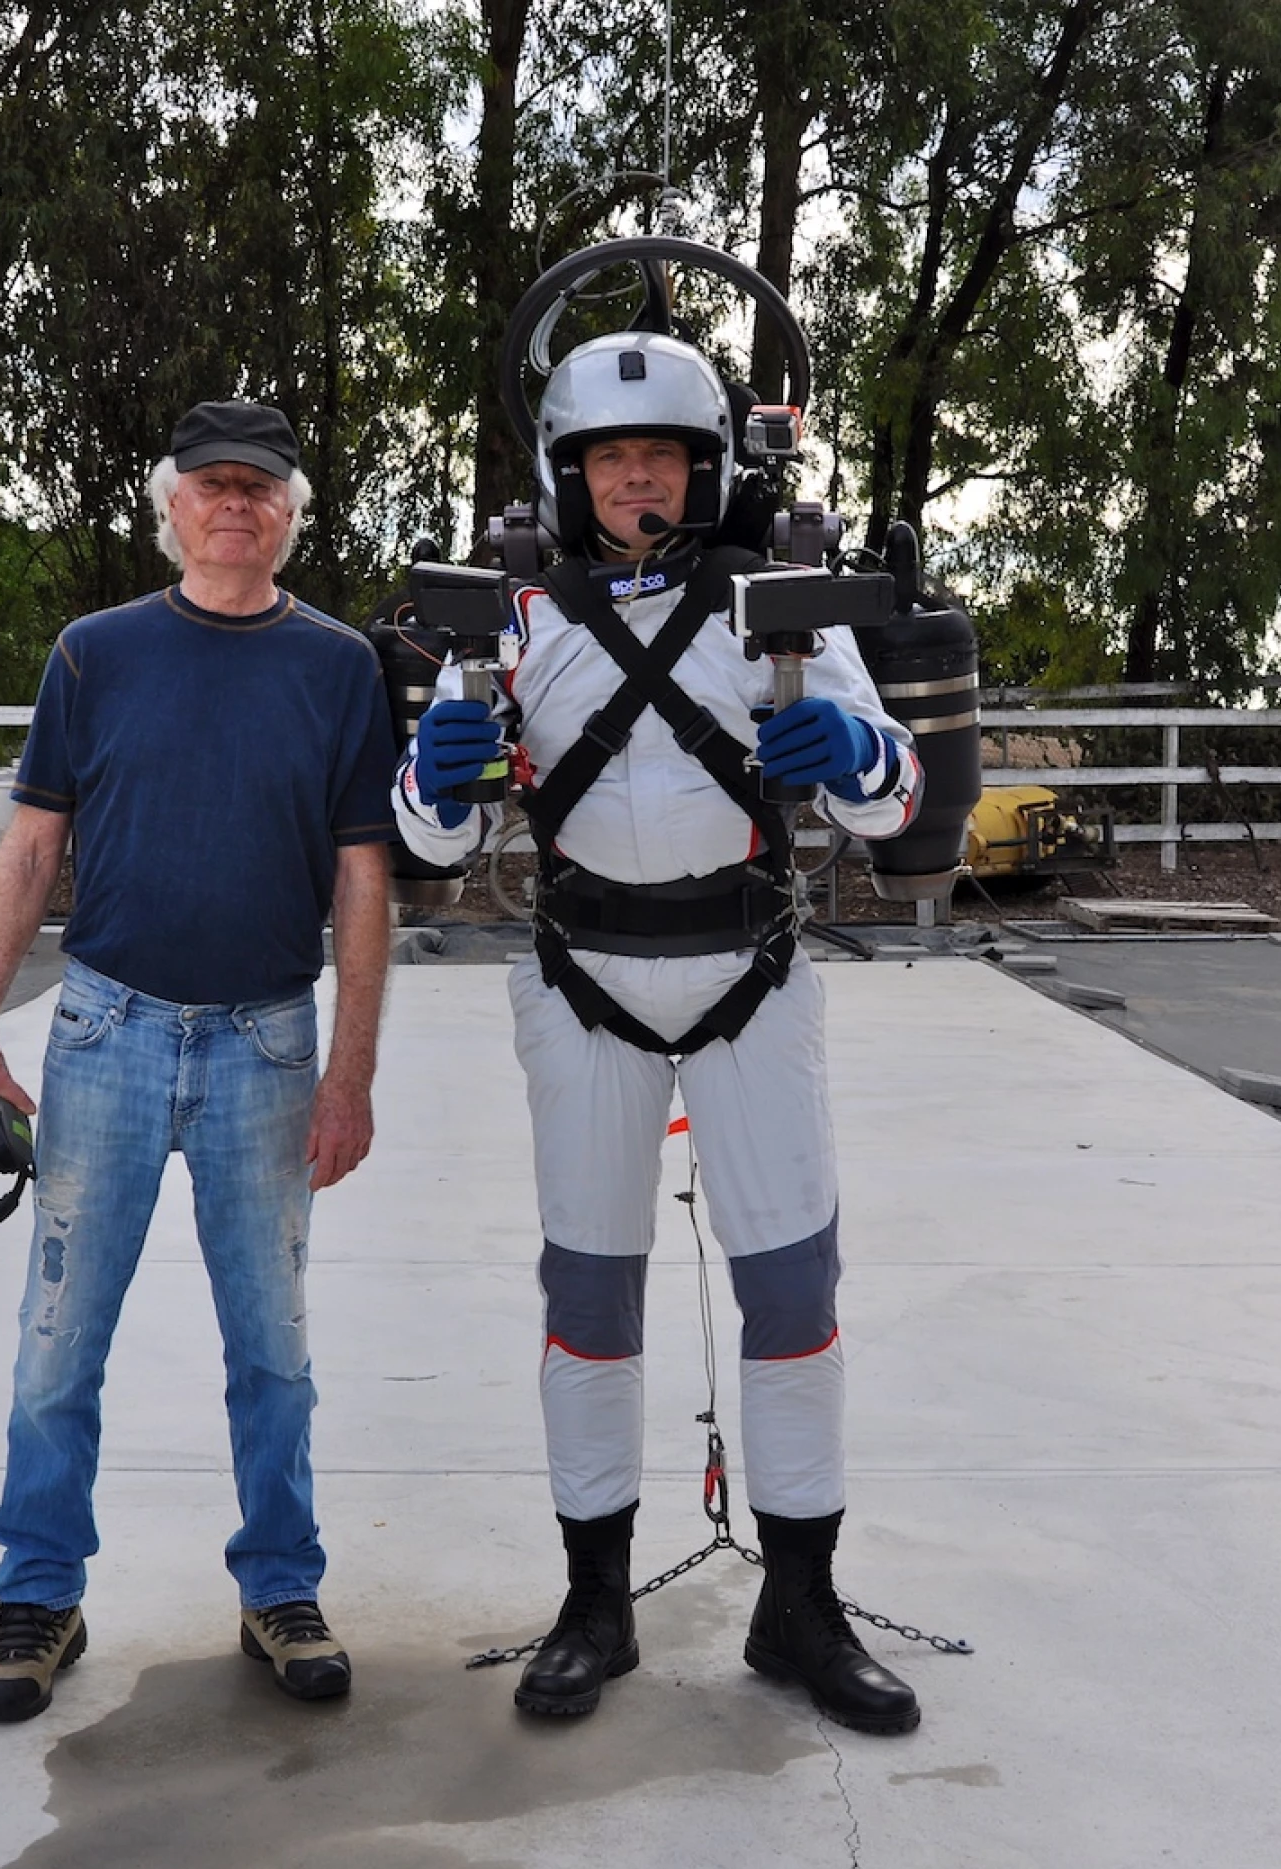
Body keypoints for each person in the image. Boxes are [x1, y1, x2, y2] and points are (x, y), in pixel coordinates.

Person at [392, 330, 926, 1735]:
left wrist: (856, 756)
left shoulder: (784, 604)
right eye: (612, 462)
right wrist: (437, 771)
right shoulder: (514, 620)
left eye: (667, 460)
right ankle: (595, 1604)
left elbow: (894, 802)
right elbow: (432, 837)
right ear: (568, 476)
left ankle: (800, 1608)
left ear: (710, 471)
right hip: (585, 990)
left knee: (796, 1302)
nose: (641, 484)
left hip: (750, 980)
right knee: (588, 1301)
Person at [0, 400, 396, 1724]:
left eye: (262, 484)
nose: (235, 502)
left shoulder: (339, 667)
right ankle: (39, 1596)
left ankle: (280, 1586)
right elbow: (26, 851)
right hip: (105, 1034)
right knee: (59, 1340)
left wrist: (349, 1070)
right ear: (172, 506)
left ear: (294, 513)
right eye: (211, 484)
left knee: (275, 1345)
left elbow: (364, 877)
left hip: (265, 1042)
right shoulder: (96, 655)